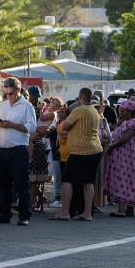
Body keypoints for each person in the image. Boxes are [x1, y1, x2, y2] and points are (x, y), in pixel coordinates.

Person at [50, 88, 102, 222]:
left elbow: (66, 126)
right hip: (95, 149)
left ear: (80, 97)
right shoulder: (94, 111)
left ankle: (65, 212)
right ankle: (87, 213)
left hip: (81, 150)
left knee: (67, 180)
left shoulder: (79, 110)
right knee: (88, 181)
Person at [0, 77, 36, 226]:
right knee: (3, 184)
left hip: (18, 150)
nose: (8, 96)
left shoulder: (27, 106)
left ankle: (24, 216)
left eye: (11, 93)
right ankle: (4, 214)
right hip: (2, 150)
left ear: (19, 91)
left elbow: (31, 127)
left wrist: (12, 125)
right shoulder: (2, 105)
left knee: (21, 184)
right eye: (6, 94)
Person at [104, 98, 135, 217]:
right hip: (122, 155)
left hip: (127, 156)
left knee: (125, 179)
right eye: (120, 111)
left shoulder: (133, 123)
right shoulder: (125, 122)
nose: (121, 113)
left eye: (124, 111)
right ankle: (129, 209)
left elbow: (124, 139)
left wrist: (111, 147)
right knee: (126, 179)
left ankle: (122, 210)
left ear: (130, 112)